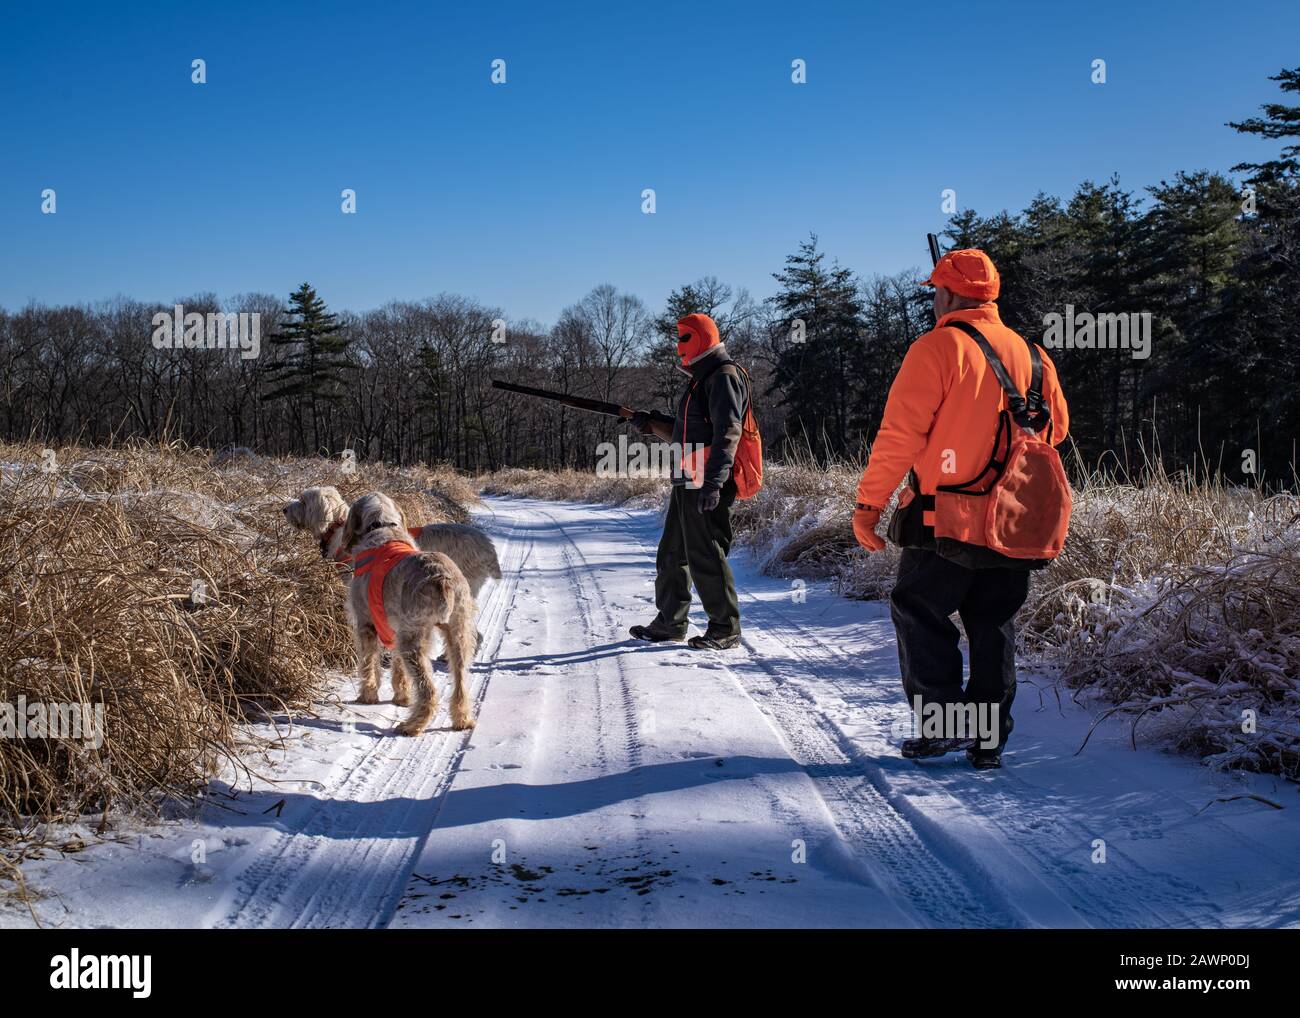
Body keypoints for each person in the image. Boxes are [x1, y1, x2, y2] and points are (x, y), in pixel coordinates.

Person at [853, 249, 1070, 769]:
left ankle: (943, 726)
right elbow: (1054, 433)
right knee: (993, 623)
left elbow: (898, 438)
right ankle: (988, 739)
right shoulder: (1036, 356)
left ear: (949, 294)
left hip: (941, 520)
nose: (933, 301)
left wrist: (869, 506)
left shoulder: (935, 348)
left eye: (935, 292)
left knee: (919, 608)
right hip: (1013, 522)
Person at [628, 313, 747, 650]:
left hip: (706, 481)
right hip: (687, 479)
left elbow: (728, 434)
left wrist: (714, 483)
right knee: (672, 554)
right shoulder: (701, 379)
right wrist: (651, 424)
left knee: (706, 553)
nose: (678, 345)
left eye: (684, 337)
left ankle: (726, 628)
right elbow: (689, 433)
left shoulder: (723, 376)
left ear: (702, 338)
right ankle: (670, 622)